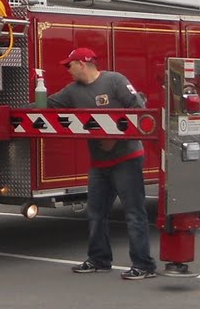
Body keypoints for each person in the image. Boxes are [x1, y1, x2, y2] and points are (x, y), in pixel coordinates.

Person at [49, 47, 157, 281]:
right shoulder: (72, 92)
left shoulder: (115, 80)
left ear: (83, 63)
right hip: (99, 163)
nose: (67, 70)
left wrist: (113, 137)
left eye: (70, 65)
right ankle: (99, 259)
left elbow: (139, 111)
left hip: (127, 159)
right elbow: (47, 107)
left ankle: (144, 265)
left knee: (134, 213)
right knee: (96, 213)